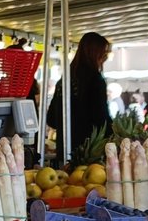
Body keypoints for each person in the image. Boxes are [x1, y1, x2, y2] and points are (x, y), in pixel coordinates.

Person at [46, 32, 113, 163]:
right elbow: (101, 118)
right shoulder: (95, 80)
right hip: (88, 154)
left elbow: (51, 119)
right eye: (104, 53)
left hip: (64, 152)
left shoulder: (64, 80)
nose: (105, 57)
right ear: (96, 53)